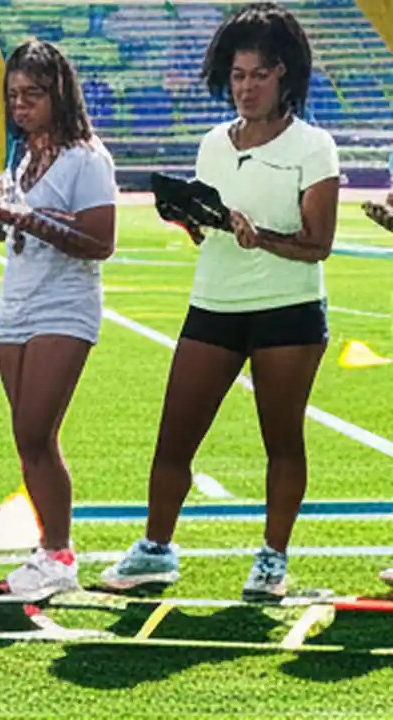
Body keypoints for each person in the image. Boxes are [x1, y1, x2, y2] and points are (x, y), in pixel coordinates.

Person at [101, 2, 339, 601]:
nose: (246, 87)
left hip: (288, 310)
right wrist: (193, 218)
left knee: (281, 439)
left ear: (284, 75)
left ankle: (272, 558)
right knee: (173, 436)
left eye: (259, 75)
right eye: (237, 75)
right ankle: (155, 550)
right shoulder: (212, 143)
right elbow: (211, 225)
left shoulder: (314, 147)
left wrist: (262, 235)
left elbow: (318, 245)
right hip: (214, 304)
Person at [0, 40, 117, 600]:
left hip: (64, 306)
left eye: (33, 95)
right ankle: (49, 552)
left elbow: (99, 241)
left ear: (59, 95)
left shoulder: (86, 159)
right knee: (30, 442)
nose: (21, 106)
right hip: (17, 303)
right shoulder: (22, 158)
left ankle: (58, 553)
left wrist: (23, 215)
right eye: (14, 95)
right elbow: (9, 230)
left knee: (35, 430)